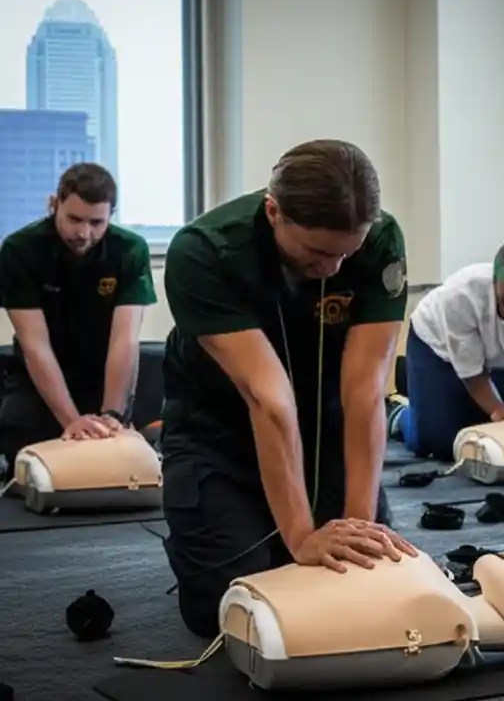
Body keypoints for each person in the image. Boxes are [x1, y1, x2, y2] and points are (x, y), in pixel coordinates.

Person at [159, 139, 417, 638]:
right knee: (230, 610)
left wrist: (358, 527)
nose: (334, 268)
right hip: (219, 431)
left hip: (323, 424)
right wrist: (300, 537)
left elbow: (365, 390)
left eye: (348, 253)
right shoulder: (203, 252)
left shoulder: (383, 239)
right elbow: (267, 398)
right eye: (318, 252)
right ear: (273, 212)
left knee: (371, 577)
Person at [0, 163, 155, 481]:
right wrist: (71, 420)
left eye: (97, 222)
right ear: (53, 204)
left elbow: (124, 339)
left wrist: (111, 416)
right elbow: (35, 345)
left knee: (123, 463)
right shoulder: (20, 250)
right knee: (28, 451)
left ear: (112, 214)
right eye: (74, 219)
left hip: (103, 374)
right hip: (40, 377)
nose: (84, 233)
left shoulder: (130, 250)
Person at [390, 242, 504, 460]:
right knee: (439, 443)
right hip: (436, 346)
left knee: (492, 432)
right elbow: (472, 374)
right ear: (494, 283)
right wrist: (498, 408)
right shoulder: (462, 294)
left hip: (501, 357)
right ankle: (399, 414)